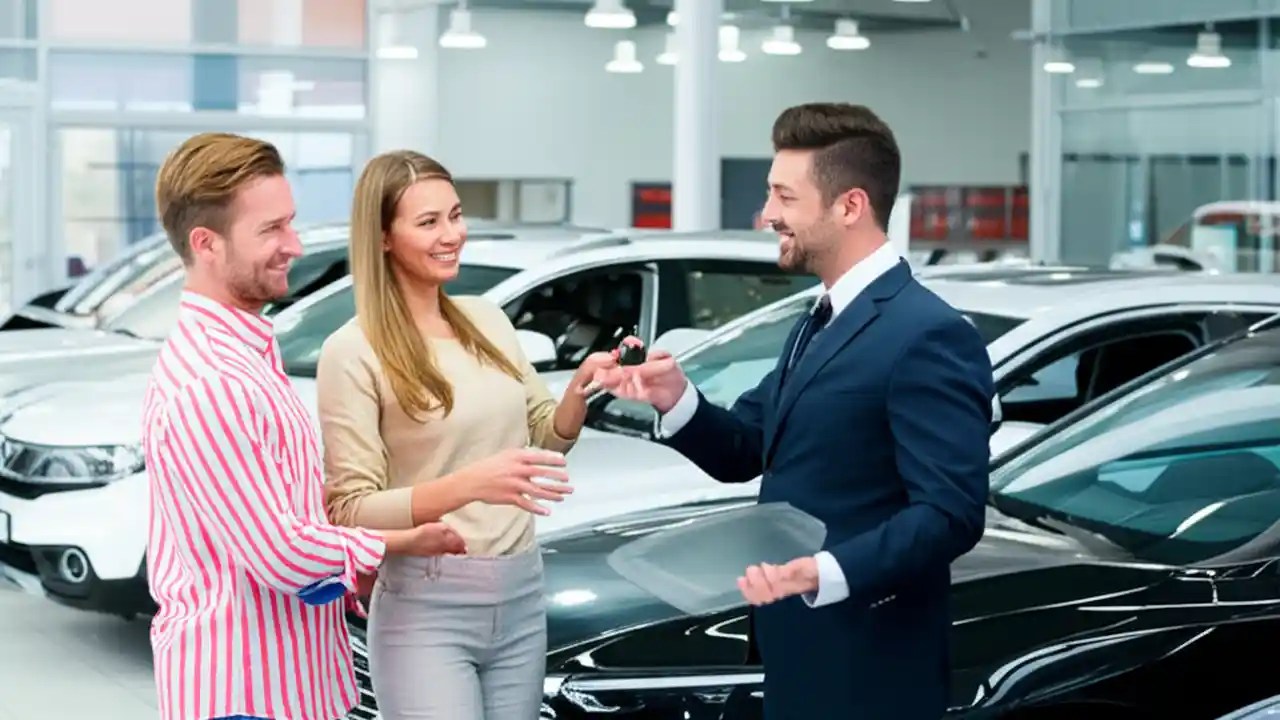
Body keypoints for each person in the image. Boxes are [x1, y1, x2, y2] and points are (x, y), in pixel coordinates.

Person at [592, 103, 993, 719]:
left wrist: (821, 572)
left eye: (784, 196)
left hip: (872, 659)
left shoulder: (927, 334)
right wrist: (676, 399)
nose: (768, 214)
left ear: (850, 206)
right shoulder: (819, 318)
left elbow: (949, 514)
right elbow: (750, 448)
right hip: (799, 644)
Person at [141, 132, 468, 720]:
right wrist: (399, 545)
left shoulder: (247, 355)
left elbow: (283, 513)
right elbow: (280, 555)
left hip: (290, 681)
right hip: (242, 693)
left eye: (289, 223)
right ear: (206, 244)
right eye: (270, 230)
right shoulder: (211, 382)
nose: (293, 245)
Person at [316, 149, 616, 720]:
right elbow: (350, 510)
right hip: (427, 604)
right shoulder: (352, 351)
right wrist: (468, 485)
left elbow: (544, 439)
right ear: (382, 237)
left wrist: (579, 390)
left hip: (522, 588)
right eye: (428, 222)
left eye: (454, 215)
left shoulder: (487, 318)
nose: (451, 234)